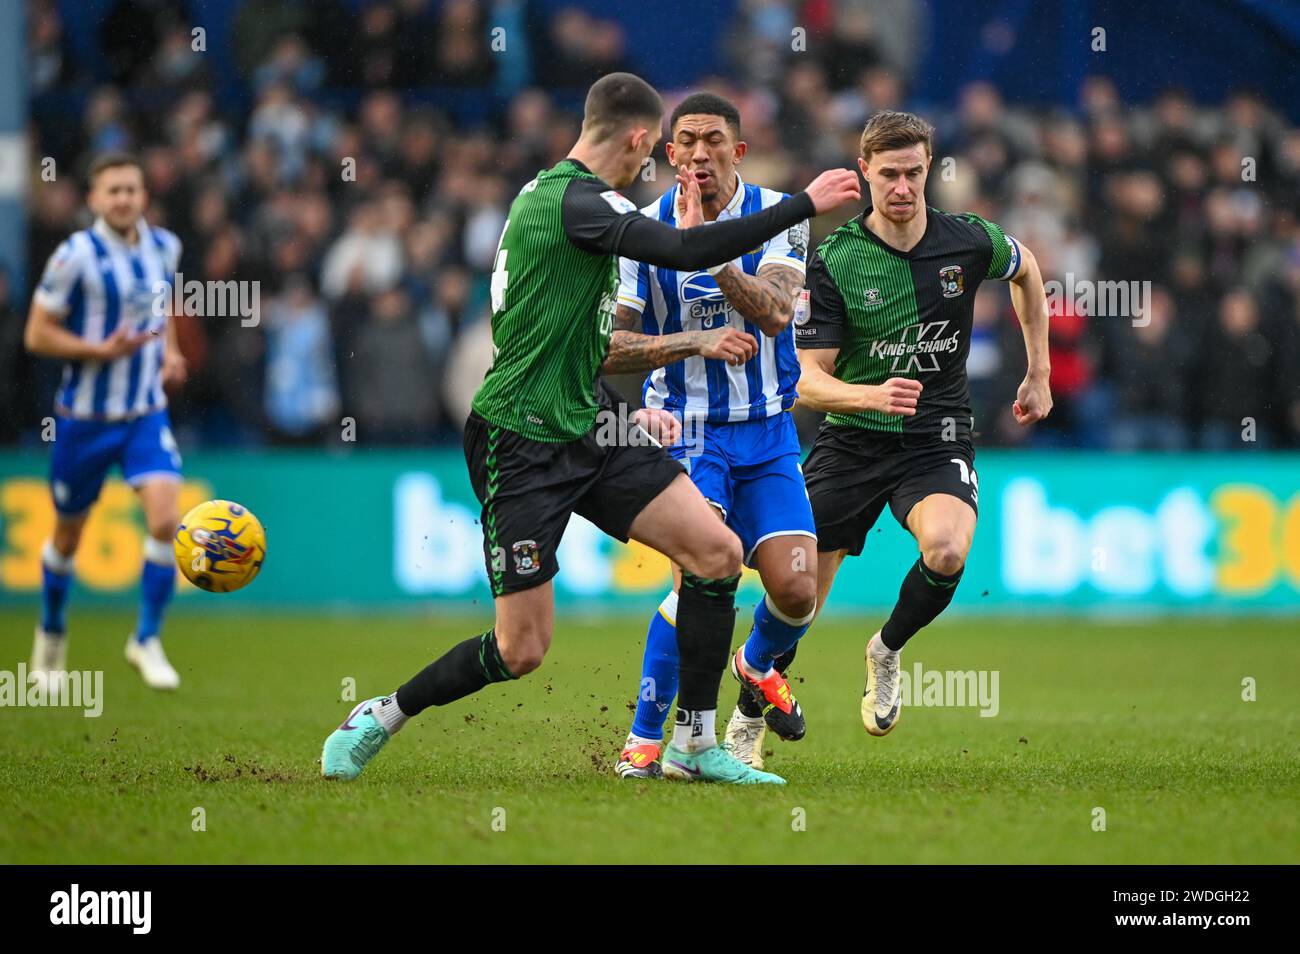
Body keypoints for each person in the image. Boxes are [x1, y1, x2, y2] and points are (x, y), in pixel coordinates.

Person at [320, 73, 859, 784]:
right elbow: (690, 252)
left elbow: (608, 332)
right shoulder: (577, 202)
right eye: (658, 150)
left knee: (716, 553)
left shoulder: (570, 199)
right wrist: (804, 204)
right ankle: (384, 713)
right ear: (641, 138)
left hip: (591, 418)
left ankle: (692, 743)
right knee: (522, 649)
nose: (657, 166)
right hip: (522, 435)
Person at [797, 111, 1051, 736]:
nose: (904, 187)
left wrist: (1037, 373)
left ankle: (886, 649)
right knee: (796, 598)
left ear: (929, 169)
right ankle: (748, 721)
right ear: (865, 172)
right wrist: (869, 397)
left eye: (914, 173)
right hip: (851, 442)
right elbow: (806, 380)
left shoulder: (966, 240)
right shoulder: (834, 259)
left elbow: (1028, 271)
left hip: (936, 437)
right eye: (889, 175)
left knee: (945, 548)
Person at [603, 92, 816, 777]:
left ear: (738, 151)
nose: (700, 152)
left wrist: (713, 251)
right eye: (687, 140)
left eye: (714, 140)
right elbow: (612, 345)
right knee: (698, 577)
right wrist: (691, 341)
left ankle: (755, 665)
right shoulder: (639, 230)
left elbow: (779, 314)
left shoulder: (779, 215)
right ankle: (646, 738)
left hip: (770, 430)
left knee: (797, 591)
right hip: (690, 433)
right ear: (668, 153)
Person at [25, 152, 188, 691]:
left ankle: (145, 637)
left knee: (166, 520)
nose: (123, 199)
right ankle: (51, 634)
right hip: (85, 420)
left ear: (144, 195)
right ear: (94, 199)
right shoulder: (75, 256)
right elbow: (37, 334)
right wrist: (98, 350)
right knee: (67, 537)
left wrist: (171, 352)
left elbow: (160, 315)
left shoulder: (165, 247)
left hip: (144, 413)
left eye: (131, 189)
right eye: (112, 191)